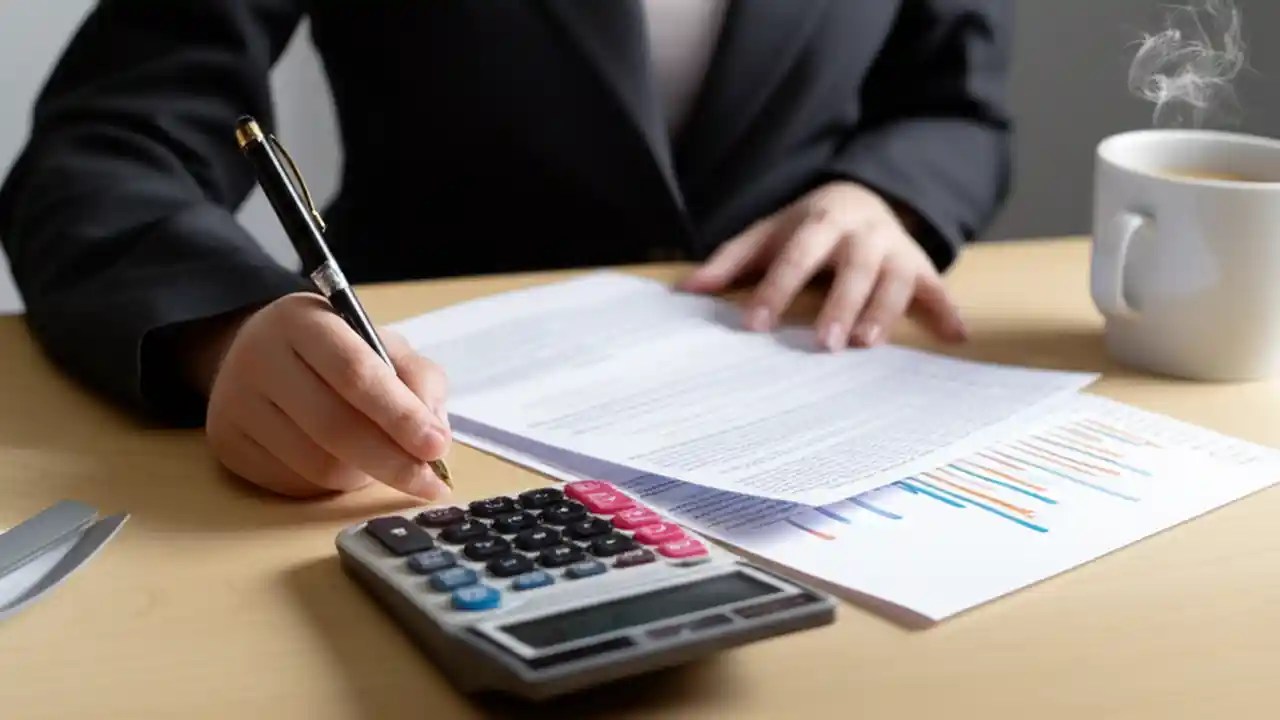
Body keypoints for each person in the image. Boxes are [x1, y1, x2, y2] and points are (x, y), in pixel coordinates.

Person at [0, 1, 1013, 502]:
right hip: (408, 437)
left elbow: (953, 105)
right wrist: (225, 328)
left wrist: (884, 194)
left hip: (810, 390)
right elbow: (104, 145)